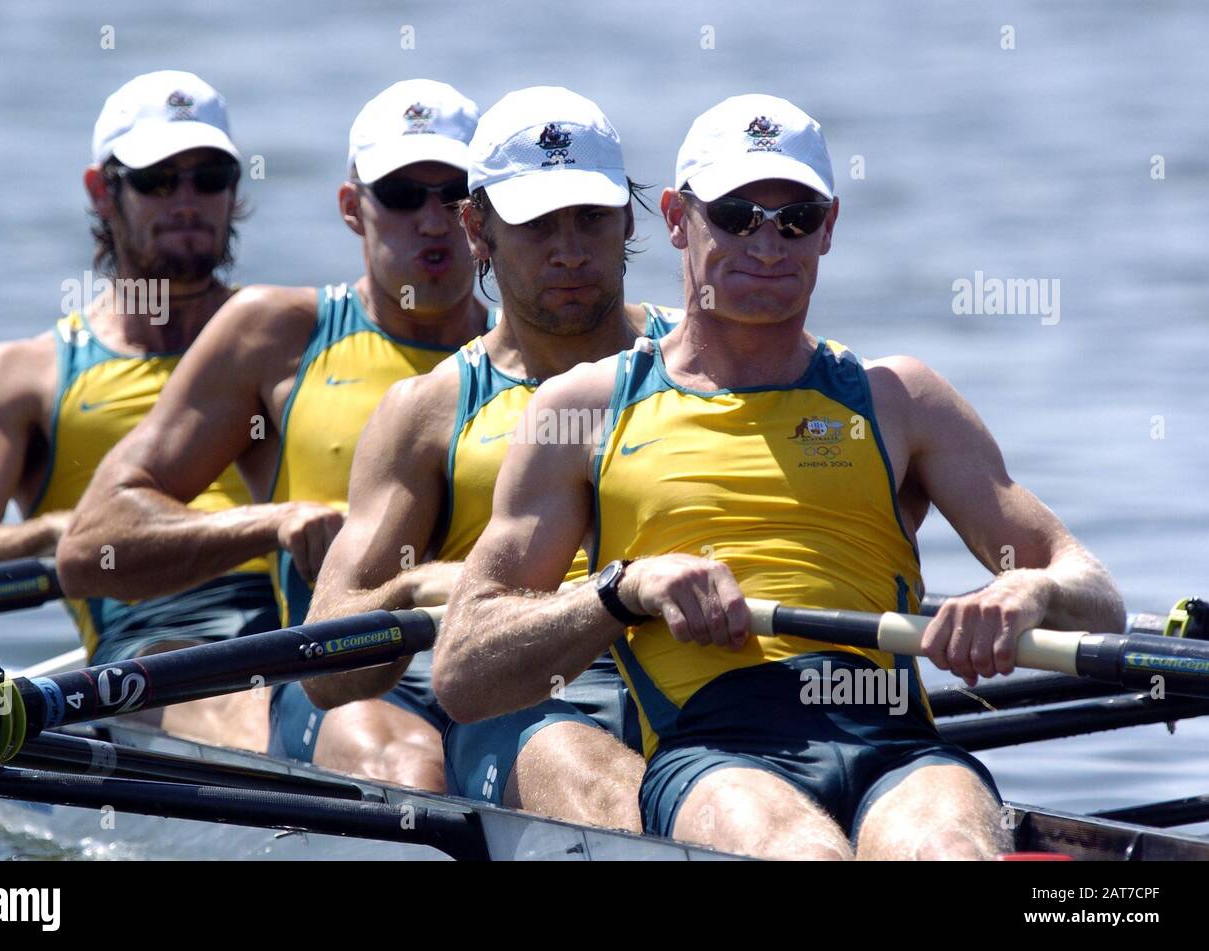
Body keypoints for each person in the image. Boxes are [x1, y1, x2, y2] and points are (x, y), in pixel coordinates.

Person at [434, 94, 1126, 858]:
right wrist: (622, 589)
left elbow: (1097, 598)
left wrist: (1029, 591)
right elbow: (463, 669)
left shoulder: (900, 398)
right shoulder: (584, 411)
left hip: (897, 743)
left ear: (829, 227)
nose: (767, 244)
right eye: (737, 216)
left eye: (795, 219)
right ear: (677, 219)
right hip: (717, 750)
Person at [56, 80, 487, 787]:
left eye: (456, 196)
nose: (434, 221)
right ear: (351, 208)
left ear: (488, 211)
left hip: (501, 665)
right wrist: (275, 522)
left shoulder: (549, 352)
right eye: (403, 196)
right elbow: (88, 549)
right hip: (342, 676)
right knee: (415, 771)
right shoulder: (278, 333)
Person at [301, 86, 679, 828]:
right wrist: (411, 588)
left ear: (629, 219)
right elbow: (325, 670)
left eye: (591, 218)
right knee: (596, 777)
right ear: (477, 229)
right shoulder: (428, 411)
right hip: (531, 707)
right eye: (537, 224)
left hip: (699, 681)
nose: (569, 251)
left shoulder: (708, 363)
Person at [0, 70, 279, 749]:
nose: (187, 201)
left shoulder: (290, 341)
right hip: (154, 643)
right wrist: (71, 529)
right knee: (258, 709)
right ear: (100, 191)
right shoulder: (23, 374)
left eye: (209, 178)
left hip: (307, 620)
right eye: (158, 180)